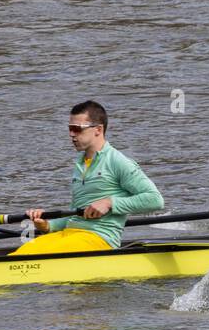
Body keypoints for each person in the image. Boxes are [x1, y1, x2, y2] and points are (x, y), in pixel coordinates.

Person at [13, 100, 163, 254]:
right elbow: (77, 214)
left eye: (77, 129)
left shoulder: (118, 162)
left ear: (98, 129)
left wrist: (109, 203)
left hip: (98, 238)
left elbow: (155, 200)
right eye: (70, 128)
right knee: (22, 251)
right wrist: (47, 225)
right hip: (71, 234)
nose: (72, 134)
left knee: (27, 256)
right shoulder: (80, 164)